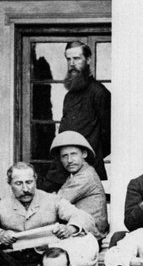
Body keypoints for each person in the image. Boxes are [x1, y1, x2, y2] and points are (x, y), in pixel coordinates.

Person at [46, 40, 111, 187]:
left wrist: (88, 154)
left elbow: (108, 138)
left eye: (77, 58)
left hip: (87, 169)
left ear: (88, 60)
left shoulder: (99, 92)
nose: (72, 64)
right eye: (68, 59)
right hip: (62, 170)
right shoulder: (69, 95)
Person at [50, 130, 108, 236]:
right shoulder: (76, 174)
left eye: (73, 154)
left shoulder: (86, 176)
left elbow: (54, 203)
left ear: (84, 154)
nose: (69, 160)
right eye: (64, 156)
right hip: (78, 230)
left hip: (88, 234)